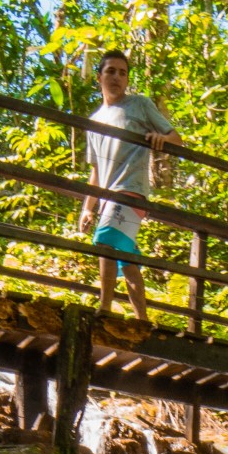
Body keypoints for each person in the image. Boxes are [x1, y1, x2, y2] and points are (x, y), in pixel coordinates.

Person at [78, 50, 181, 326]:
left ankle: (105, 308)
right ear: (99, 77)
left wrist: (161, 138)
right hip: (110, 195)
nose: (117, 77)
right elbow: (96, 171)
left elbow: (176, 138)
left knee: (104, 242)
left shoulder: (139, 105)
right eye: (111, 71)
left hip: (132, 189)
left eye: (123, 73)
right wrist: (88, 208)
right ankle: (142, 319)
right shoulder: (95, 121)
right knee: (126, 257)